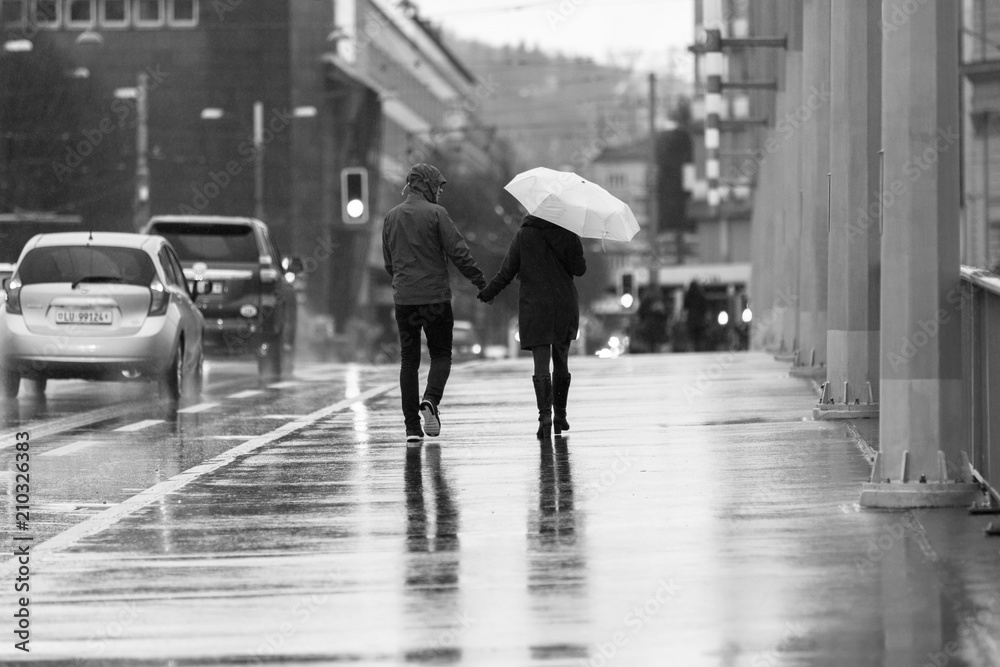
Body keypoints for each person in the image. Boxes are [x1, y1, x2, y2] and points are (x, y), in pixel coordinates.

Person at [383, 164, 488, 442]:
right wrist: (480, 281)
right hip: (435, 299)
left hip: (405, 300)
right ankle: (430, 400)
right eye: (438, 186)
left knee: (409, 361)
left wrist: (404, 281)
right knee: (441, 355)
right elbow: (459, 252)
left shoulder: (391, 217)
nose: (440, 192)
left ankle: (412, 428)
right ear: (427, 184)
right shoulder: (437, 214)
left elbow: (389, 263)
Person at [478, 214, 586, 439]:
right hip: (563, 303)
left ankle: (545, 418)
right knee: (561, 360)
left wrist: (489, 292)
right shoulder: (568, 232)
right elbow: (580, 268)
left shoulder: (524, 234)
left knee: (541, 363)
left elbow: (507, 271)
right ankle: (560, 415)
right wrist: (574, 242)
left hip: (535, 305)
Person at [683, 279, 709, 352]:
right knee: (700, 337)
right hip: (700, 320)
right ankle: (700, 350)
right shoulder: (701, 295)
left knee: (692, 337)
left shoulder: (688, 295)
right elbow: (705, 308)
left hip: (691, 319)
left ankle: (693, 350)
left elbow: (685, 307)